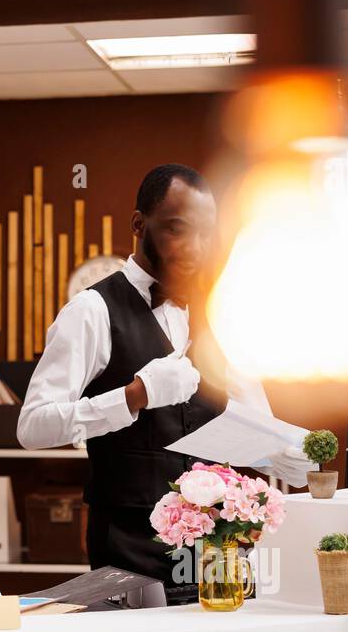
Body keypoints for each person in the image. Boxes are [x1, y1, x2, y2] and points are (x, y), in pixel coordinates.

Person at [17, 163, 311, 602]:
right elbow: (33, 427)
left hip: (217, 546)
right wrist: (134, 396)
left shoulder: (224, 315)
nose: (195, 247)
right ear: (139, 224)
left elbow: (253, 423)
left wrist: (284, 455)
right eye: (178, 229)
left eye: (206, 233)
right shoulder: (90, 312)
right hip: (127, 545)